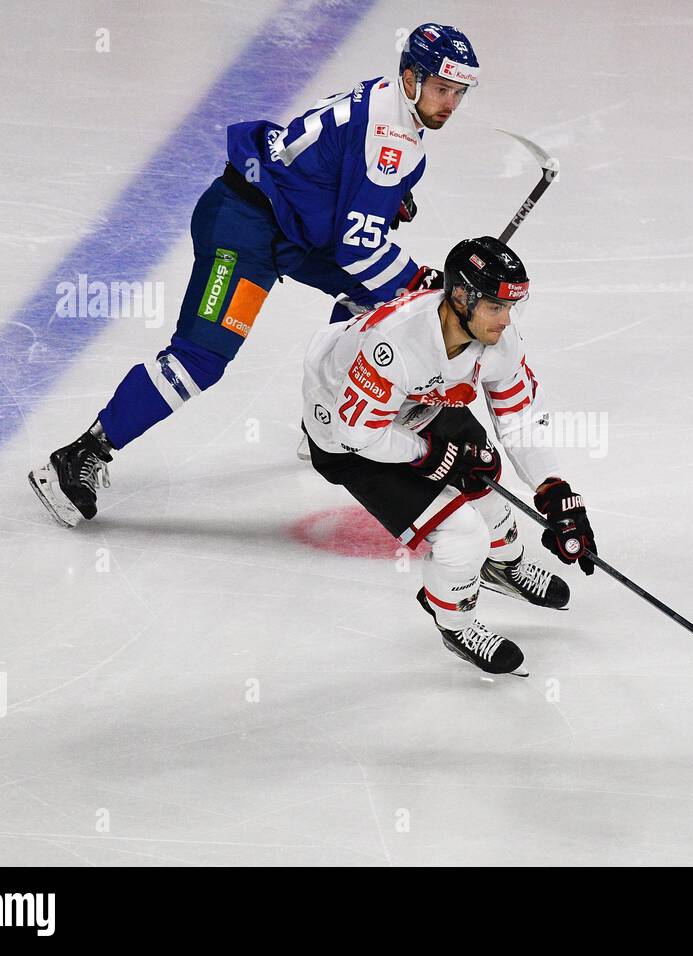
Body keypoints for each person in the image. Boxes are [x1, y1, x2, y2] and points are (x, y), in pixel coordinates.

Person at [30, 23, 480, 527]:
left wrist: (377, 204)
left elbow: (325, 165)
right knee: (201, 358)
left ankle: (327, 426)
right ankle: (78, 455)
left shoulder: (385, 101)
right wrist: (419, 282)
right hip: (243, 230)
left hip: (285, 227)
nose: (451, 104)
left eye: (459, 92)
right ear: (411, 77)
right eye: (443, 89)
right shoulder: (393, 135)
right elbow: (358, 248)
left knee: (373, 300)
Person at [302, 236, 597, 676]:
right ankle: (455, 622)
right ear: (461, 297)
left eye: (512, 307)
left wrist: (554, 489)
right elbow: (359, 435)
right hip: (347, 436)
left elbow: (517, 419)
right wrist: (430, 456)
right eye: (496, 306)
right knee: (461, 536)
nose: (506, 320)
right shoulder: (395, 344)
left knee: (484, 473)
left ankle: (505, 566)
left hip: (417, 405)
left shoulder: (498, 338)